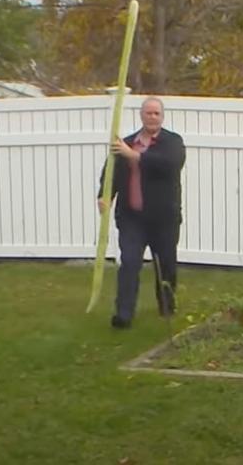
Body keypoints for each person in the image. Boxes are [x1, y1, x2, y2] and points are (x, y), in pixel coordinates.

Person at [97, 96, 185, 329]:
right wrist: (104, 196)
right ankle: (124, 314)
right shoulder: (126, 144)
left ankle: (167, 305)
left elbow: (169, 165)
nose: (152, 117)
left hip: (163, 219)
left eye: (157, 113)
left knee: (165, 265)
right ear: (141, 115)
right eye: (148, 113)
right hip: (132, 218)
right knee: (129, 262)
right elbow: (111, 173)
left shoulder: (172, 142)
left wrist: (134, 155)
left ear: (162, 117)